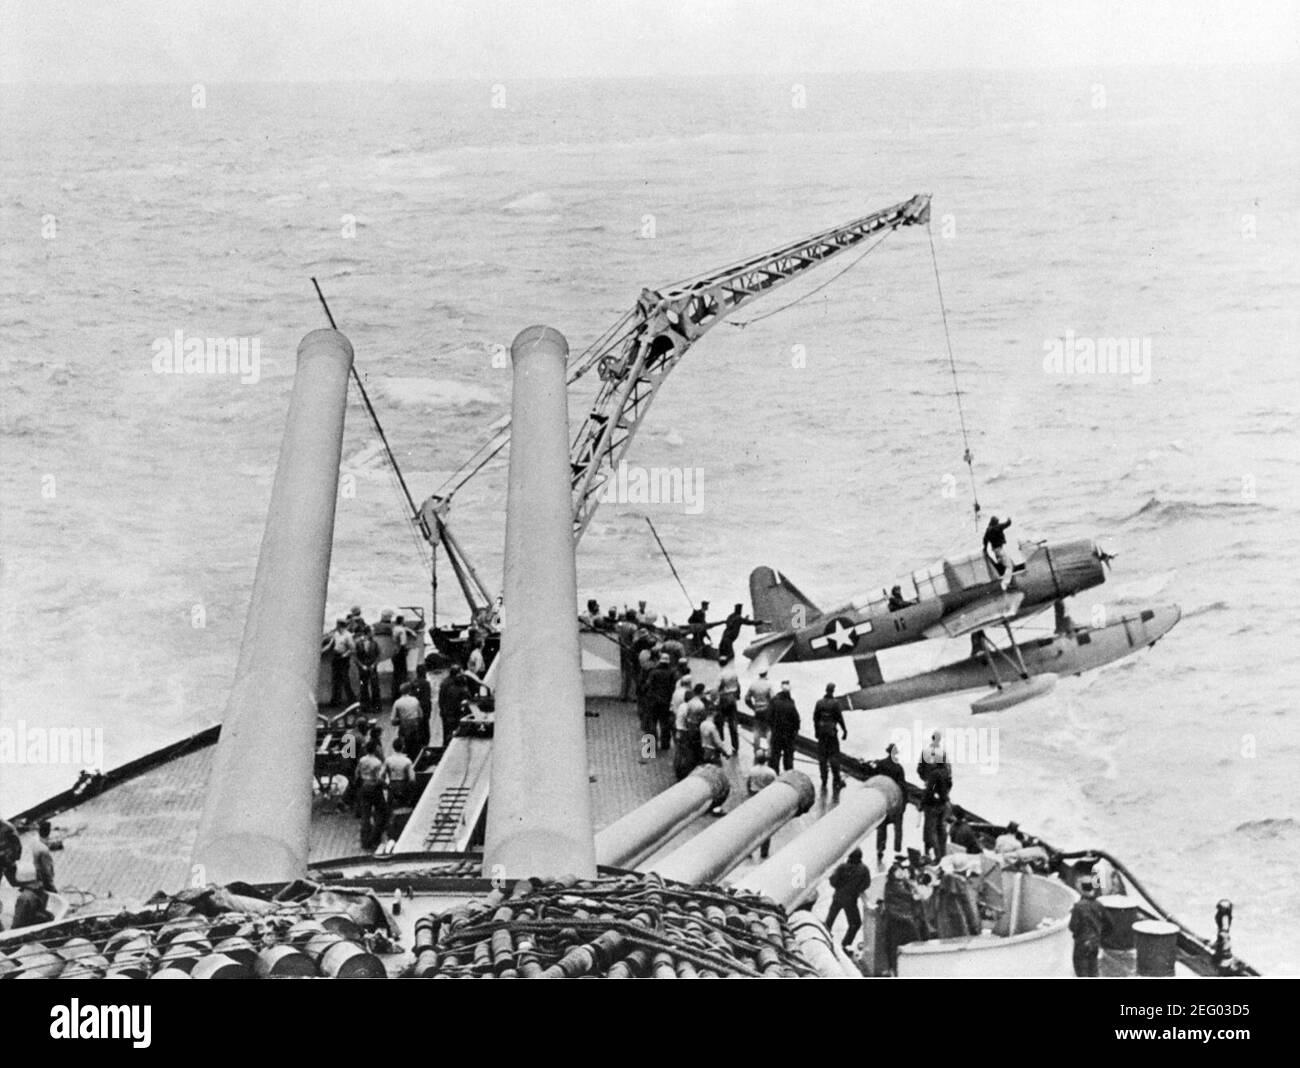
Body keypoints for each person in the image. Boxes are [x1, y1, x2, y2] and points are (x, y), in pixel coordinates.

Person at [825, 848, 873, 949]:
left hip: (838, 897)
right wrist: (856, 890)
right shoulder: (864, 869)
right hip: (851, 899)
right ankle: (846, 943)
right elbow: (866, 884)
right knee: (855, 923)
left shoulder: (842, 867)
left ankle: (825, 940)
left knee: (829, 921)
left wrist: (839, 887)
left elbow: (833, 880)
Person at [881, 859, 921, 974]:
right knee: (897, 945)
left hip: (904, 919)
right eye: (897, 871)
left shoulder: (905, 884)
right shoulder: (892, 886)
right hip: (899, 920)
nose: (900, 872)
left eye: (901, 870)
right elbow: (909, 897)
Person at [1069, 876, 1113, 977]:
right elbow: (1110, 924)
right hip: (1095, 943)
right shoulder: (1099, 905)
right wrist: (1100, 936)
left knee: (1081, 971)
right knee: (1093, 969)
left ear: (1082, 888)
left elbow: (1072, 927)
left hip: (1081, 943)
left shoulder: (1078, 907)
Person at [871, 742, 907, 864]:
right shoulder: (899, 768)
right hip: (895, 800)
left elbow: (874, 780)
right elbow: (903, 786)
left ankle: (880, 850)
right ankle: (897, 850)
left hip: (883, 800)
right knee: (898, 828)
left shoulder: (880, 764)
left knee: (881, 828)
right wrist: (904, 804)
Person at [812, 683, 848, 791]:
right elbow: (839, 718)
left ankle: (824, 780)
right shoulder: (835, 703)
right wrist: (844, 730)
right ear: (833, 691)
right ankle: (836, 781)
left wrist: (816, 731)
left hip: (822, 733)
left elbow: (815, 718)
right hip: (832, 733)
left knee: (822, 757)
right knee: (834, 757)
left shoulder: (819, 703)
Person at [354, 741, 387, 852]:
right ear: (375, 750)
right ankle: (374, 839)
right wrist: (385, 785)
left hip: (364, 786)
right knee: (380, 813)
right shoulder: (377, 762)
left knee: (365, 815)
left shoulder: (362, 760)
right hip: (374, 788)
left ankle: (364, 841)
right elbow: (378, 778)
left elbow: (357, 773)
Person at [644, 653, 679, 751]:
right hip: (666, 702)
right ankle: (665, 744)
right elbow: (674, 687)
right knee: (665, 724)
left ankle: (650, 747)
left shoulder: (654, 672)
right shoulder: (672, 673)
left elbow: (647, 685)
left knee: (651, 724)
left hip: (653, 702)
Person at [746, 751, 778, 859]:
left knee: (752, 826)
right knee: (766, 825)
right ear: (766, 760)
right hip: (766, 798)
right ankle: (764, 851)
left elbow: (748, 785)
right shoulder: (771, 772)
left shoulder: (752, 771)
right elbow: (776, 785)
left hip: (754, 797)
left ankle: (748, 851)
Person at [920, 764, 952, 861]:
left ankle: (937, 856)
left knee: (931, 831)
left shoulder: (934, 774)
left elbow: (929, 790)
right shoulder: (946, 772)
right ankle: (943, 854)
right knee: (941, 829)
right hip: (942, 805)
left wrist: (922, 803)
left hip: (932, 806)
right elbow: (949, 785)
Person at [768, 681, 801, 773]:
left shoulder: (774, 701)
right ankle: (788, 776)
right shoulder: (790, 704)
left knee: (774, 758)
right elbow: (796, 721)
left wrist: (773, 728)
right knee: (788, 760)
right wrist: (795, 733)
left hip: (776, 734)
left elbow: (769, 717)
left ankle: (774, 776)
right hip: (788, 736)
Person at [325, 618, 357, 707]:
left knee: (345, 680)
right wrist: (321, 651)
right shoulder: (336, 634)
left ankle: (352, 701)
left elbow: (352, 649)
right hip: (336, 657)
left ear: (340, 625)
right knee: (335, 680)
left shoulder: (348, 636)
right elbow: (330, 645)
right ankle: (335, 701)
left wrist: (345, 655)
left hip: (343, 658)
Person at [437, 664, 468, 747]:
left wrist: (442, 709)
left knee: (446, 731)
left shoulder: (445, 682)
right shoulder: (455, 684)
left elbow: (441, 699)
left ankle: (445, 746)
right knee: (453, 731)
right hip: (452, 712)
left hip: (446, 712)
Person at [353, 624, 382, 715]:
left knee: (375, 687)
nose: (374, 633)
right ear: (368, 632)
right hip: (363, 668)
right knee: (364, 687)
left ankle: (376, 706)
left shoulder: (375, 643)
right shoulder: (358, 643)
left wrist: (374, 664)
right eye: (372, 631)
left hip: (372, 667)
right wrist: (361, 666)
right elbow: (355, 657)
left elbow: (379, 655)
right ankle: (365, 706)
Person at [383, 735, 418, 809]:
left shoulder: (388, 760)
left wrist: (386, 785)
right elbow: (412, 779)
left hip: (392, 785)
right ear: (403, 747)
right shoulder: (407, 761)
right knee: (403, 807)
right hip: (403, 785)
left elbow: (380, 776)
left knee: (391, 808)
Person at [715, 658, 741, 751]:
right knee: (733, 723)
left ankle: (720, 741)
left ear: (719, 664)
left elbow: (718, 688)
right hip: (732, 698)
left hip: (724, 698)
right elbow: (738, 685)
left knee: (720, 721)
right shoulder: (733, 673)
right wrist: (738, 696)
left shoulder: (721, 674)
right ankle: (735, 745)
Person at [744, 669, 775, 752]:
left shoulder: (753, 685)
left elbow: (746, 699)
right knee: (768, 729)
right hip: (766, 710)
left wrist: (752, 707)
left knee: (757, 730)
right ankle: (769, 749)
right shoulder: (769, 685)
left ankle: (756, 748)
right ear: (766, 673)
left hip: (757, 710)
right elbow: (773, 699)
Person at [390, 682, 423, 757]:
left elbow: (393, 720)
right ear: (409, 691)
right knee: (415, 747)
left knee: (405, 747)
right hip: (415, 726)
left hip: (404, 728)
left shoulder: (397, 702)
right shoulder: (415, 700)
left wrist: (400, 721)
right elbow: (421, 715)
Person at [412, 663, 434, 752]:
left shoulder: (413, 683)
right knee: (425, 728)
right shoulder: (426, 683)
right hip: (424, 710)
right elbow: (427, 698)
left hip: (415, 710)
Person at [390, 614, 413, 699]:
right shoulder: (402, 631)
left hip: (395, 653)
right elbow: (403, 643)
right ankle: (402, 694)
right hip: (401, 654)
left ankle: (394, 695)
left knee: (396, 675)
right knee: (403, 675)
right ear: (402, 621)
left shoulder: (395, 628)